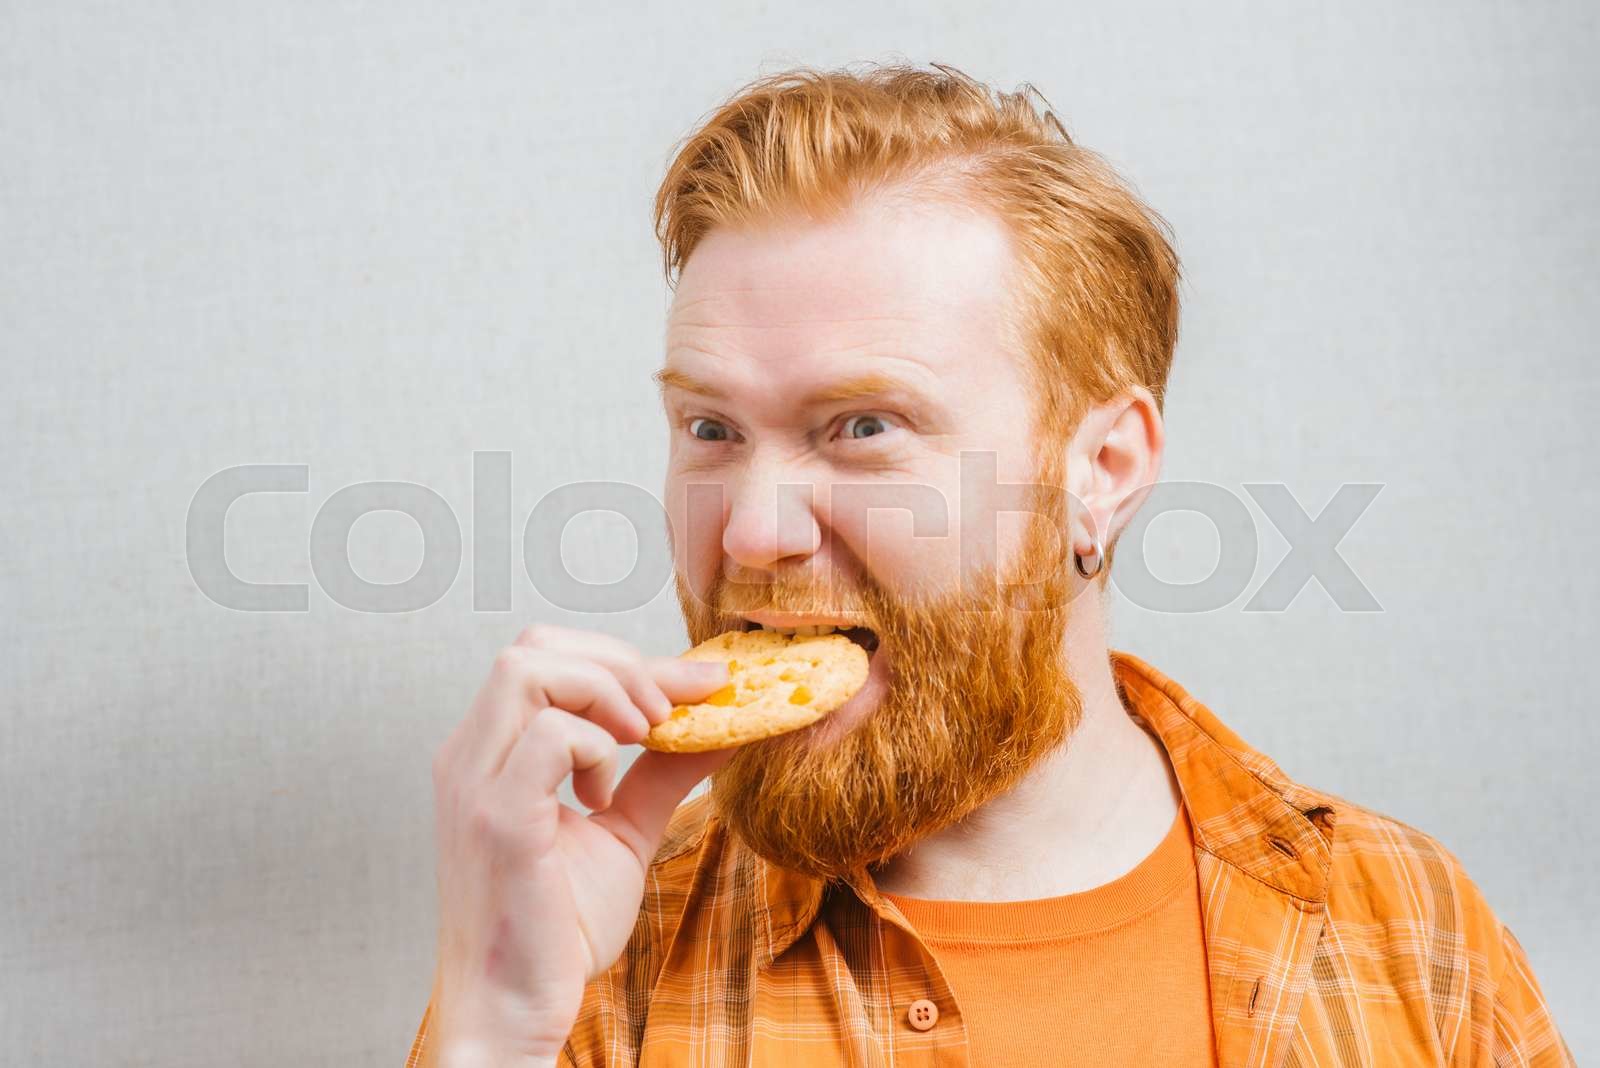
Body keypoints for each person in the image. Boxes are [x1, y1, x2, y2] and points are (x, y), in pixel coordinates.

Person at [406, 62, 1574, 1066]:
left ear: (1102, 466)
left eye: (863, 427)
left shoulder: (1403, 929)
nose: (754, 531)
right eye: (710, 429)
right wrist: (491, 1032)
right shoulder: (599, 954)